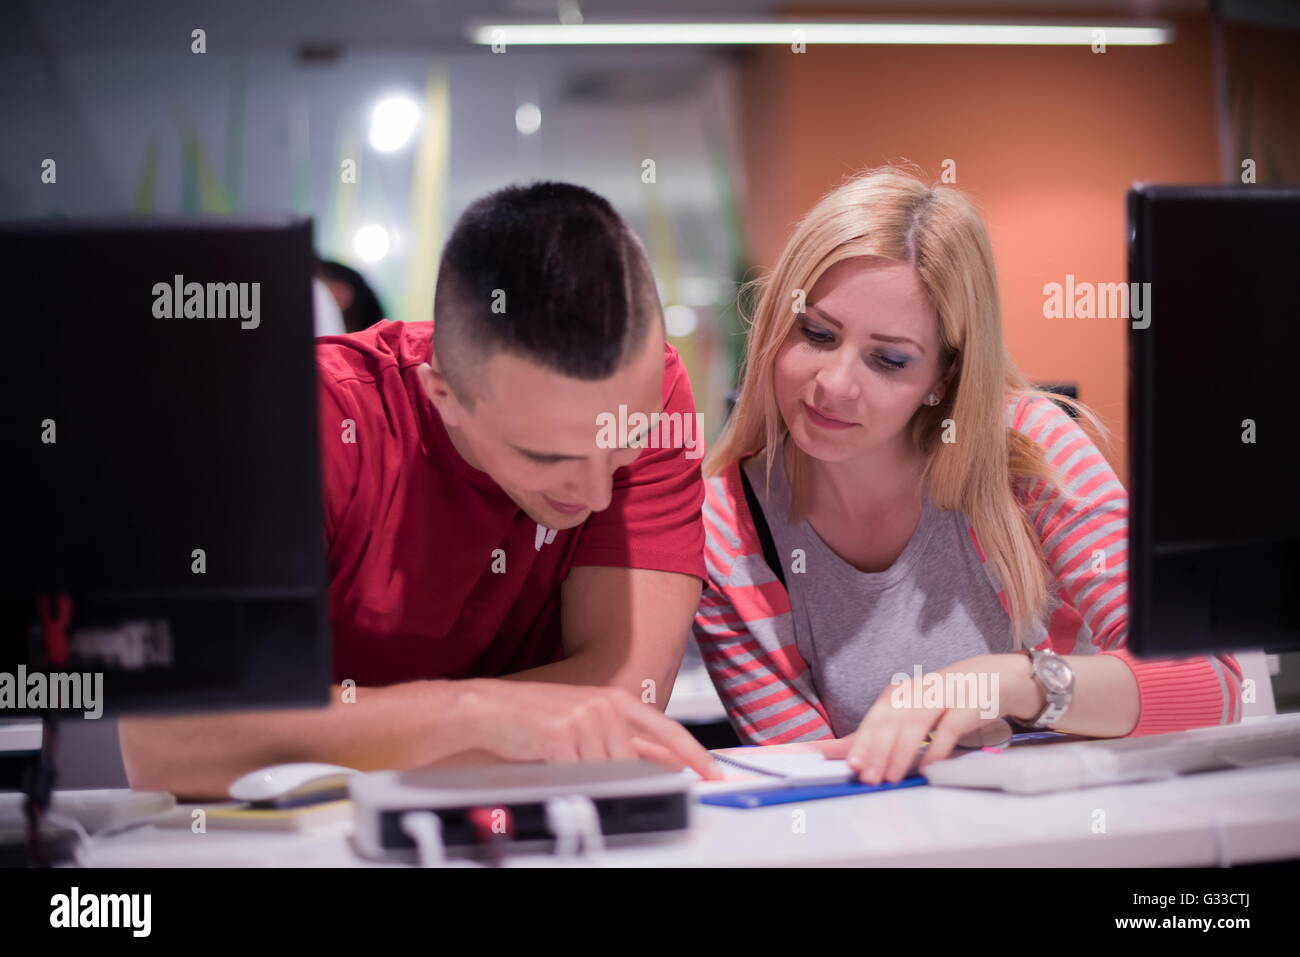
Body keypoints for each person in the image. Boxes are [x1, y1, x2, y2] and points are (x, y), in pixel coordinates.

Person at [121, 182, 720, 798]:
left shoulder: (650, 393)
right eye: (547, 455)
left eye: (628, 440)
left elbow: (622, 700)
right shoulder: (298, 420)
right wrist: (473, 714)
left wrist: (338, 730)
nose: (598, 493)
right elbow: (169, 741)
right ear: (442, 395)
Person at [694, 165, 1242, 786]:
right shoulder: (725, 526)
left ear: (945, 376)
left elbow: (1212, 683)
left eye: (889, 359)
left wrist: (1013, 683)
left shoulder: (1027, 449)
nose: (835, 384)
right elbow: (819, 782)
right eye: (816, 334)